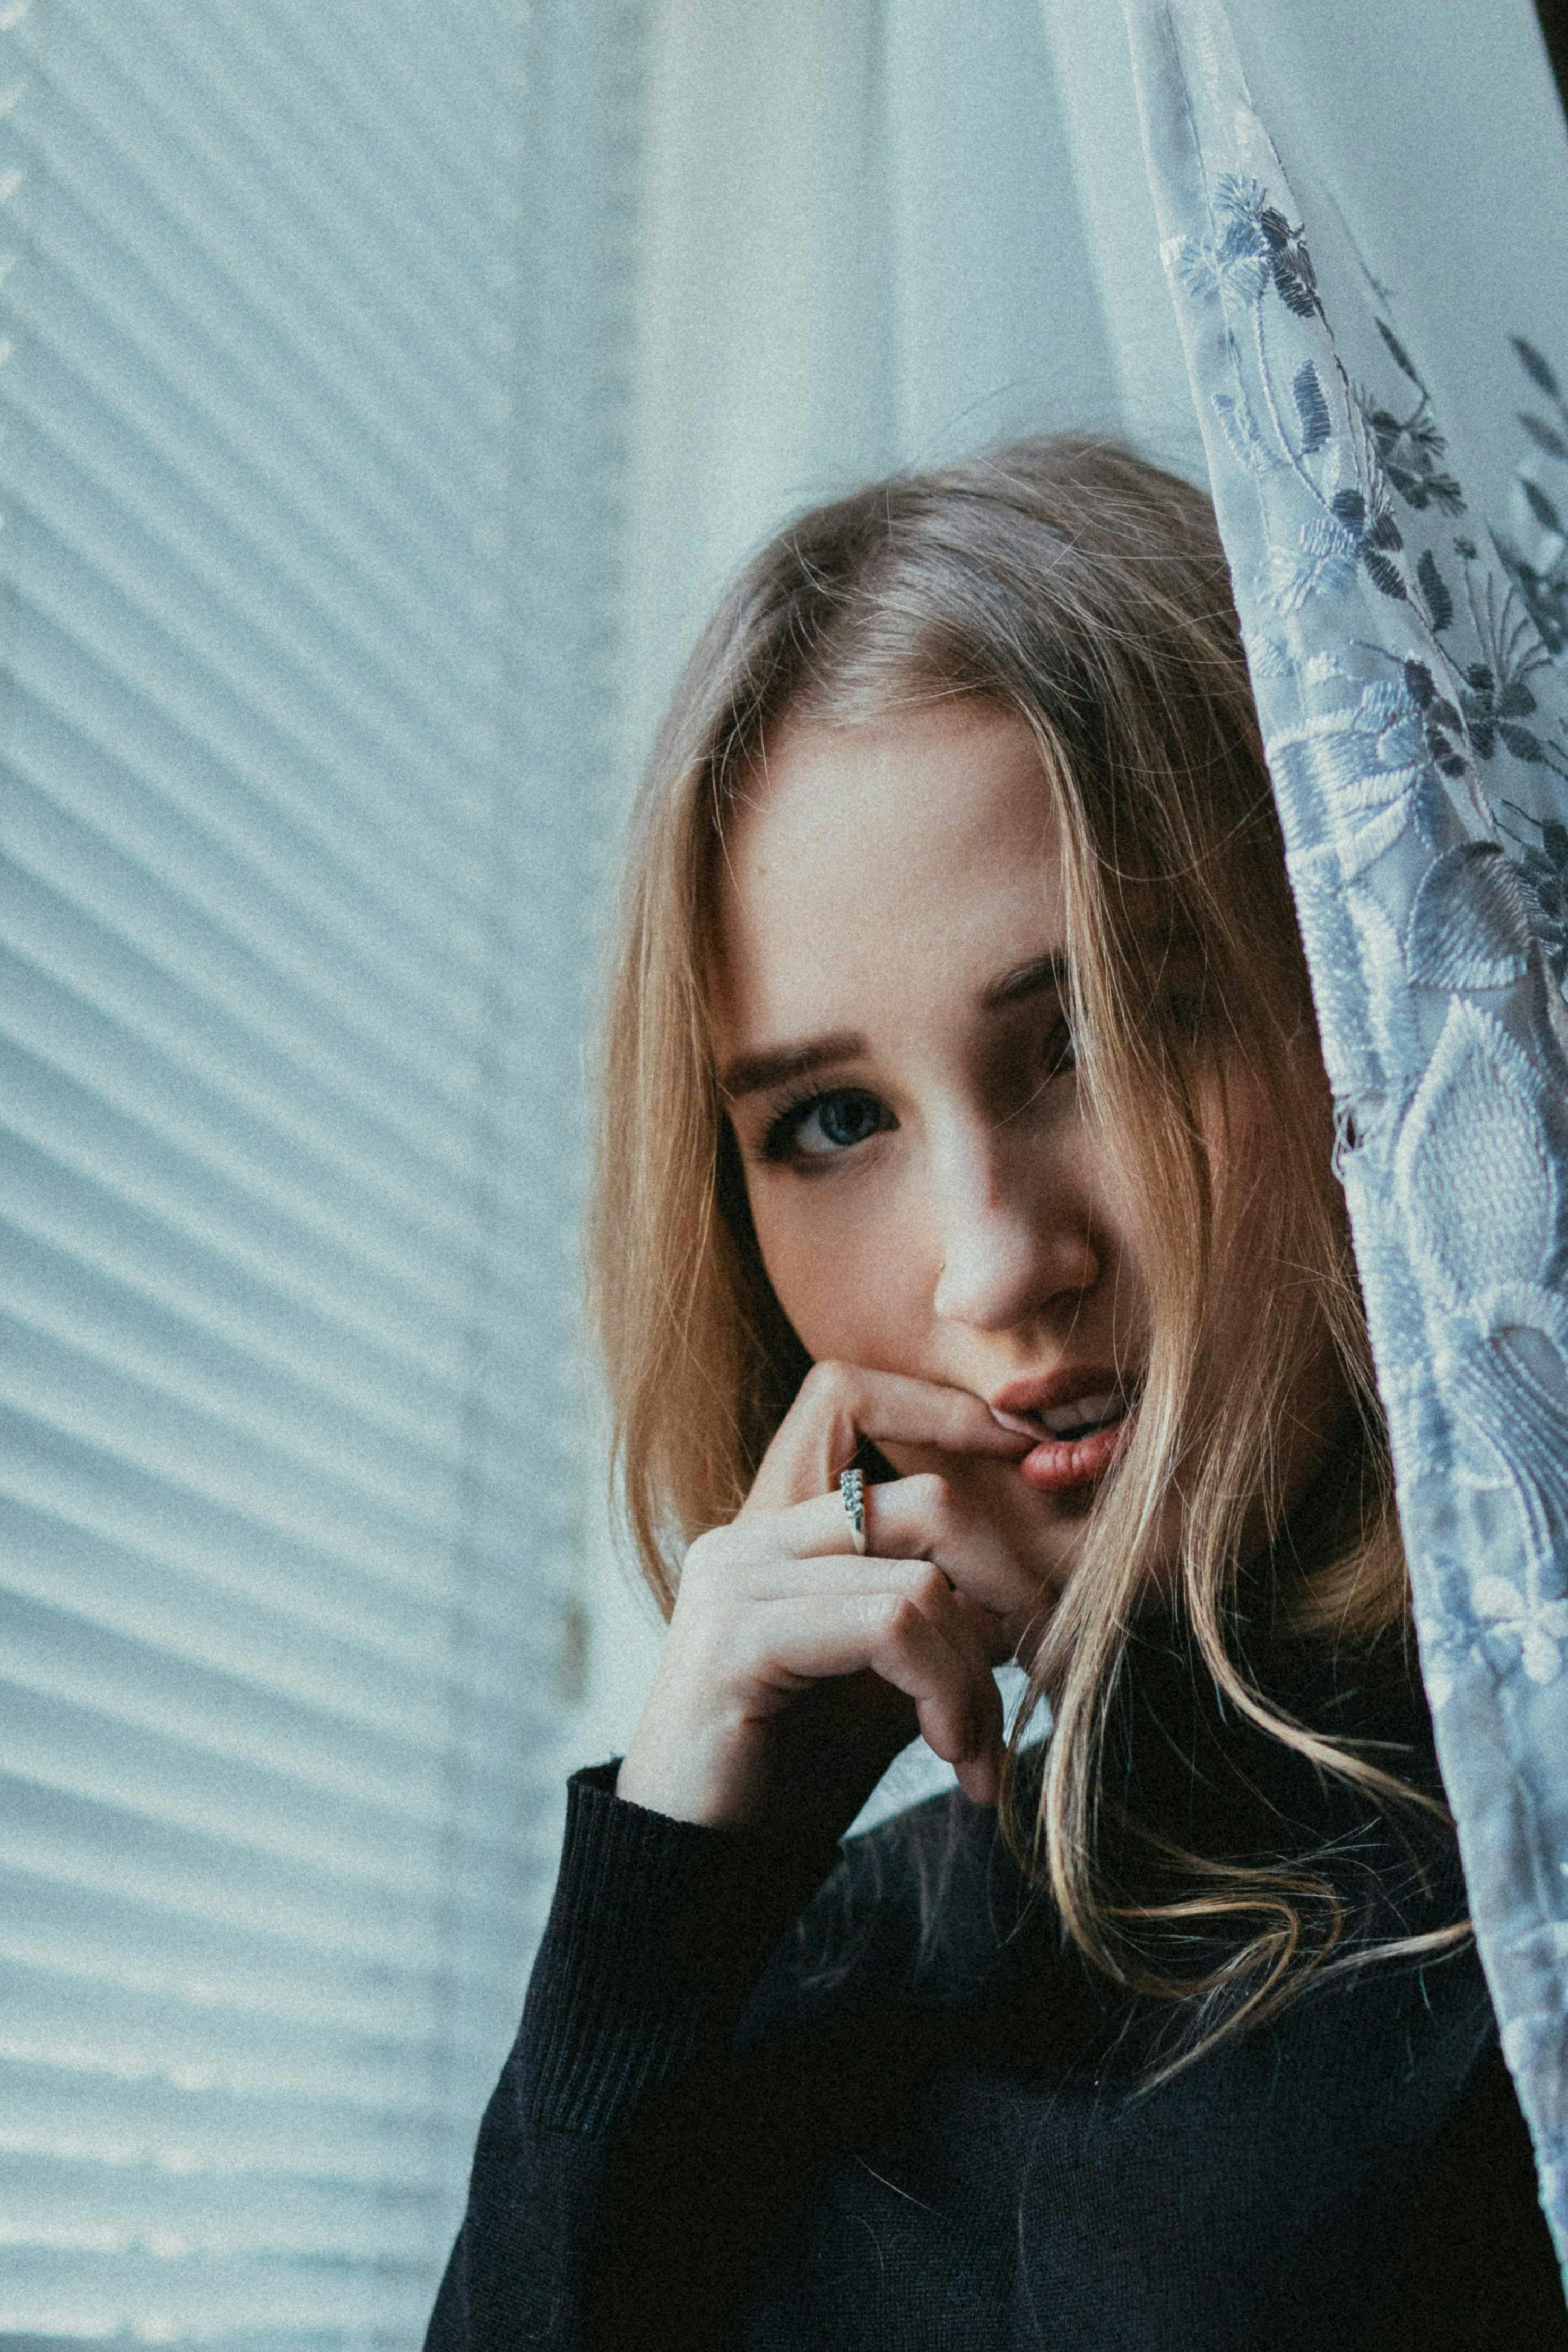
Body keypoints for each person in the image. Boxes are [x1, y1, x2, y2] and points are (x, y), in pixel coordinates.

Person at [425, 439, 1565, 2349]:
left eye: (1096, 1032)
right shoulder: (814, 1955)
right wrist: (664, 1911)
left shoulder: (1514, 1832)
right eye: (834, 1120)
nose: (993, 1262)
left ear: (1345, 998)